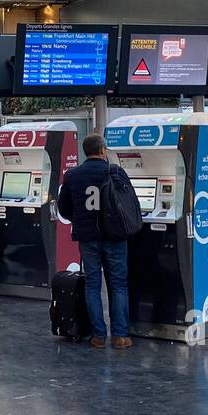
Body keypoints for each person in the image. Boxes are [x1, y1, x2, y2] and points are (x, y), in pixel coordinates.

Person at [56, 133, 137, 349]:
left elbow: (63, 207)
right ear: (102, 150)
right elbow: (130, 201)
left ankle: (98, 336)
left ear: (85, 152)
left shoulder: (73, 175)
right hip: (114, 237)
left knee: (92, 285)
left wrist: (79, 219)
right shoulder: (115, 172)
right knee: (118, 284)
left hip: (87, 238)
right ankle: (120, 336)